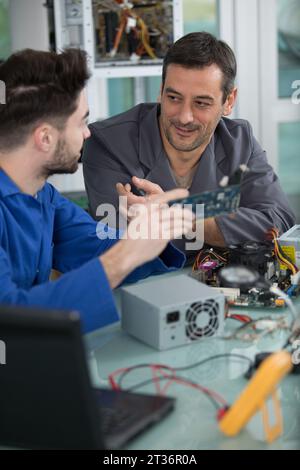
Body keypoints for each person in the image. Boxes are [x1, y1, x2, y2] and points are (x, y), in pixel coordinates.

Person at [0, 48, 194, 333]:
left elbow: (94, 245)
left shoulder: (42, 196)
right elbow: (11, 318)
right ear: (45, 137)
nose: (88, 134)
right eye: (81, 122)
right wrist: (125, 255)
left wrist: (149, 232)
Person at [82, 31, 295, 251]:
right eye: (173, 98)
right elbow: (113, 239)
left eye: (201, 103)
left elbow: (277, 221)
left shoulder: (241, 141)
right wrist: (216, 225)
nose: (184, 117)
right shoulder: (107, 143)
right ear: (161, 90)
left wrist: (177, 214)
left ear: (229, 101)